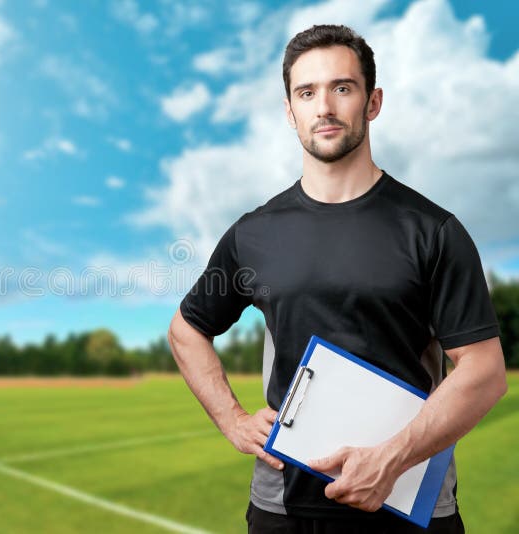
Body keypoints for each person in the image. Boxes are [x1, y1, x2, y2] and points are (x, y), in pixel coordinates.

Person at [167, 24, 507, 534]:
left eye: (341, 88)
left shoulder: (433, 230)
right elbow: (185, 329)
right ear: (290, 111)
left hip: (408, 502)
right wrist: (232, 419)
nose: (323, 107)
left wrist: (390, 459)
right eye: (306, 92)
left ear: (373, 102)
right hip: (284, 507)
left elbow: (484, 372)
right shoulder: (254, 233)